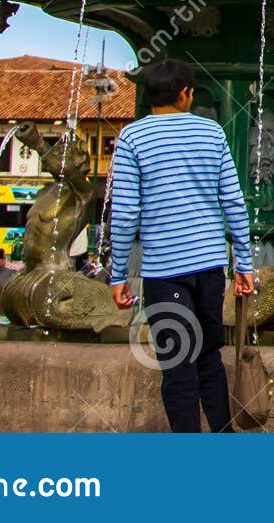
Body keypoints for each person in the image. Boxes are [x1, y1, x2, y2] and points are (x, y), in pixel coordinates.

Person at [109, 58, 255, 435]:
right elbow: (233, 202)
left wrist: (119, 273)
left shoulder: (132, 138)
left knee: (177, 366)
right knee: (209, 358)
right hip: (209, 269)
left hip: (163, 272)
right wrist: (244, 264)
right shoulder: (212, 133)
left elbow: (125, 213)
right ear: (185, 93)